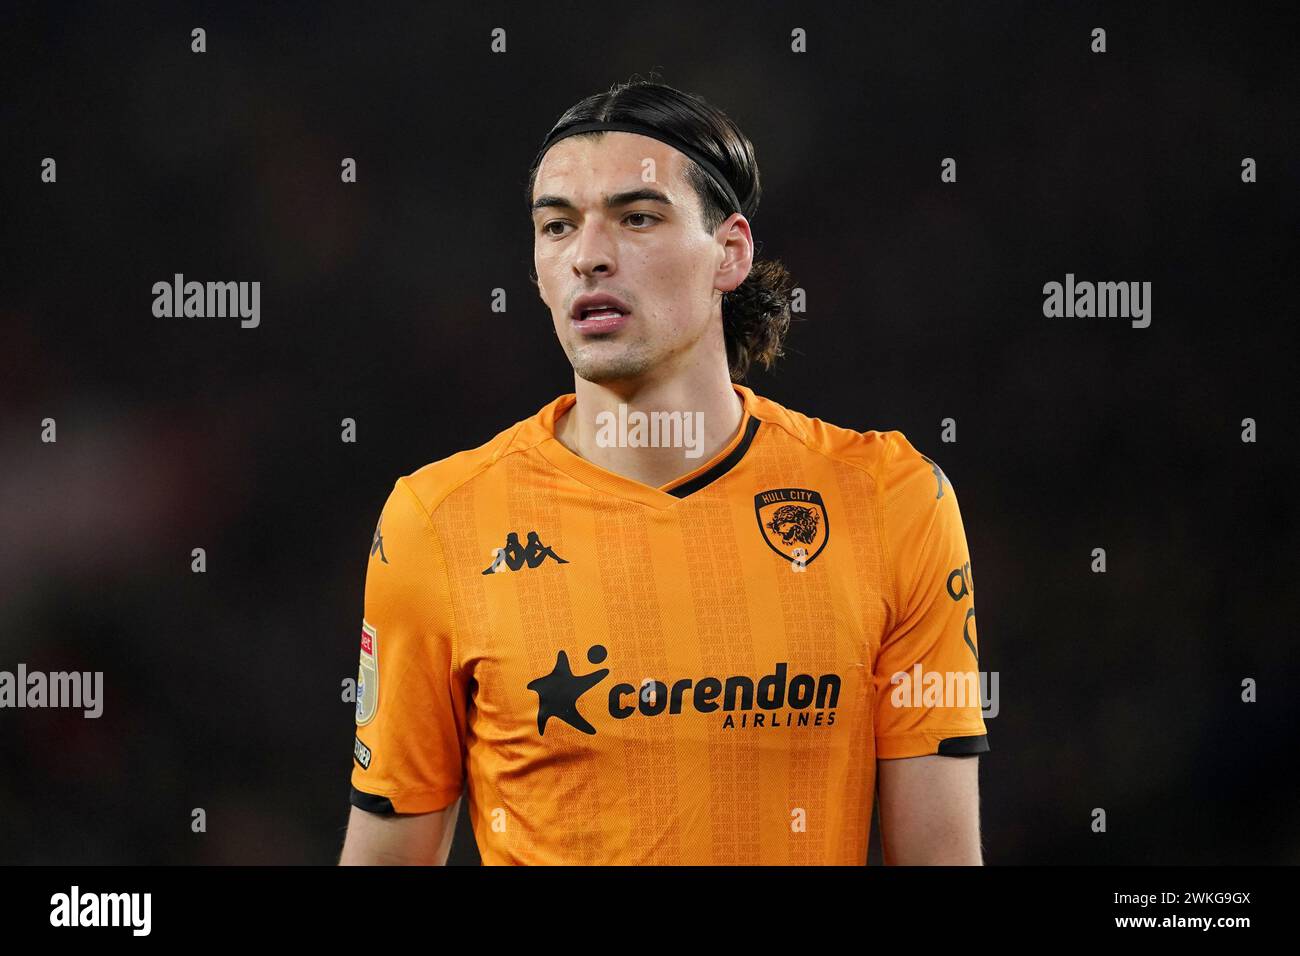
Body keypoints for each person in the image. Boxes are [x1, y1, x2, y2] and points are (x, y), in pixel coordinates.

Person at [339, 79, 988, 865]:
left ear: (731, 252)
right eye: (557, 226)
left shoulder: (893, 501)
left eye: (637, 216)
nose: (589, 255)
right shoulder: (437, 522)